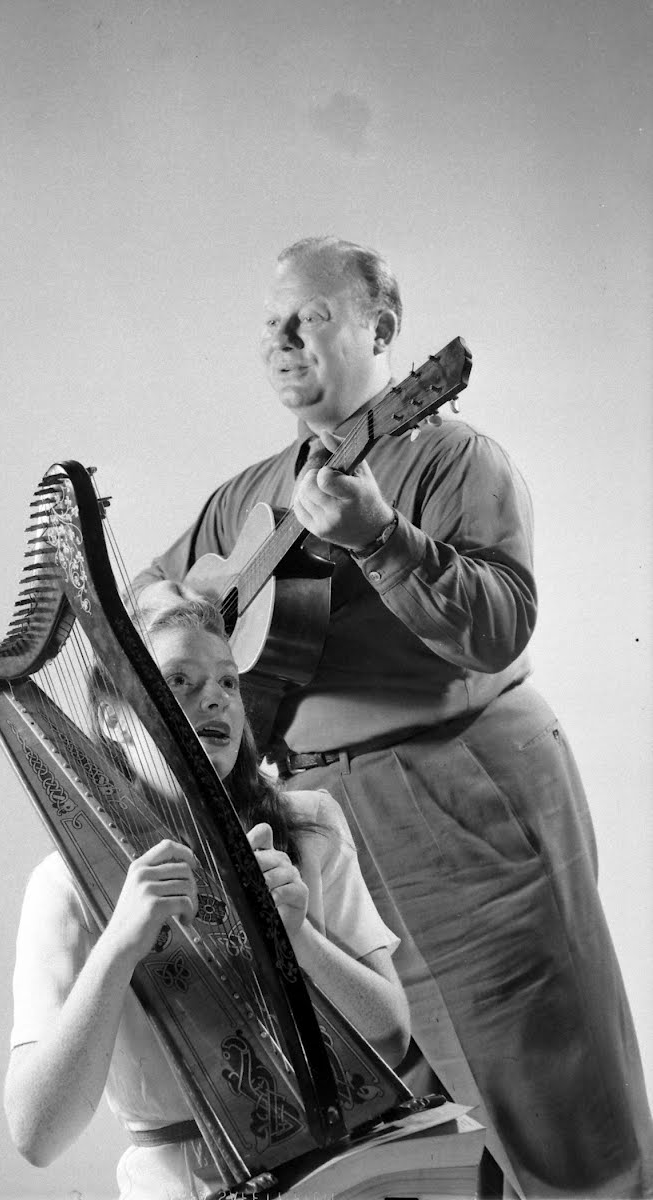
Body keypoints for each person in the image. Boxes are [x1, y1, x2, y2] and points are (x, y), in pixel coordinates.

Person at [133, 236, 653, 1198]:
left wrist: (380, 537)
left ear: (382, 330)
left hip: (460, 797)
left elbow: (499, 627)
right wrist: (180, 612)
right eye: (272, 323)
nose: (285, 340)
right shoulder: (251, 495)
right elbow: (150, 596)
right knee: (409, 1115)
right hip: (322, 821)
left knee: (547, 1088)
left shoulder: (455, 457)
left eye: (313, 317)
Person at [4, 597, 410, 1199]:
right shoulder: (65, 885)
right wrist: (118, 945)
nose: (216, 699)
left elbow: (391, 1039)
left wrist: (298, 938)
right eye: (179, 681)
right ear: (114, 720)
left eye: (228, 681)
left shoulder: (308, 825)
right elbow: (37, 1136)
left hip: (344, 1167)